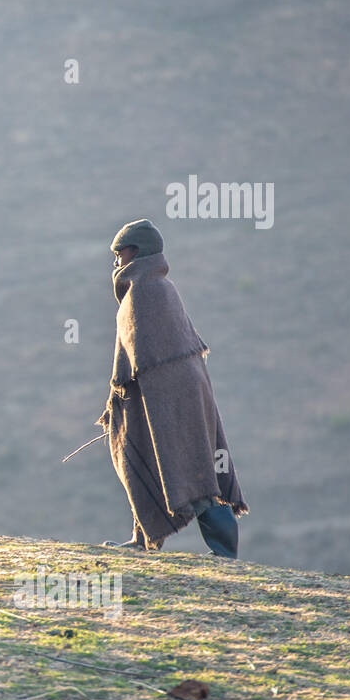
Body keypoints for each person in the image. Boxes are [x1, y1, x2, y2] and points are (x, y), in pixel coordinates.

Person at [97, 219, 247, 557]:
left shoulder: (146, 290)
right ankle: (143, 539)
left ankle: (225, 553)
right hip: (169, 391)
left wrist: (119, 394)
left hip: (172, 396)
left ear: (135, 252)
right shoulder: (157, 287)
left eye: (119, 254)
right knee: (164, 461)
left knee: (192, 471)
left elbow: (140, 354)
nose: (116, 262)